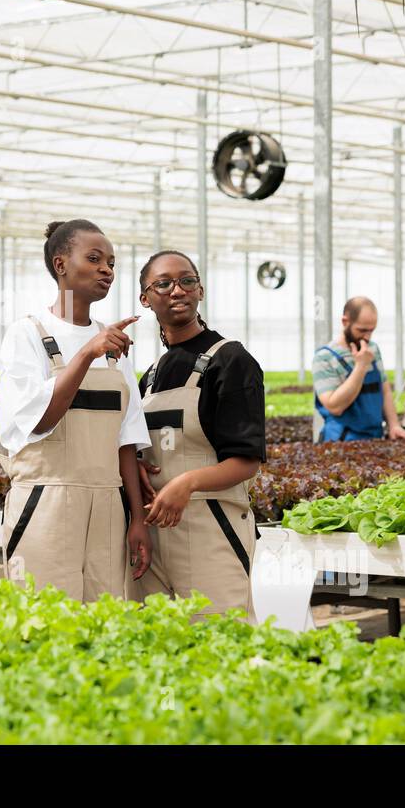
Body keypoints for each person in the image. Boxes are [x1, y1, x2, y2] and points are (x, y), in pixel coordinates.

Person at [0, 219, 152, 602]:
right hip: (45, 501)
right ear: (61, 264)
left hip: (107, 505)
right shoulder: (28, 333)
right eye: (95, 259)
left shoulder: (112, 344)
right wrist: (86, 353)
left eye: (112, 263)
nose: (106, 270)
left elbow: (126, 441)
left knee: (107, 619)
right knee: (47, 619)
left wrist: (137, 520)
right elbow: (41, 419)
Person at [131, 250, 265, 618]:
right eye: (164, 283)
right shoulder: (152, 375)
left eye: (187, 281)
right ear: (145, 298)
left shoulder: (230, 360)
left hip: (211, 528)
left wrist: (186, 483)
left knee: (220, 640)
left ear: (200, 290)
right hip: (156, 535)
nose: (178, 290)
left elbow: (246, 461)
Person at [312, 296, 405, 443]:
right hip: (341, 441)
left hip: (374, 437)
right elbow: (334, 406)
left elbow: (384, 389)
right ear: (345, 322)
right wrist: (360, 366)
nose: (367, 336)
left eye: (371, 330)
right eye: (362, 330)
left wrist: (394, 425)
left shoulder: (373, 349)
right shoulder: (324, 358)